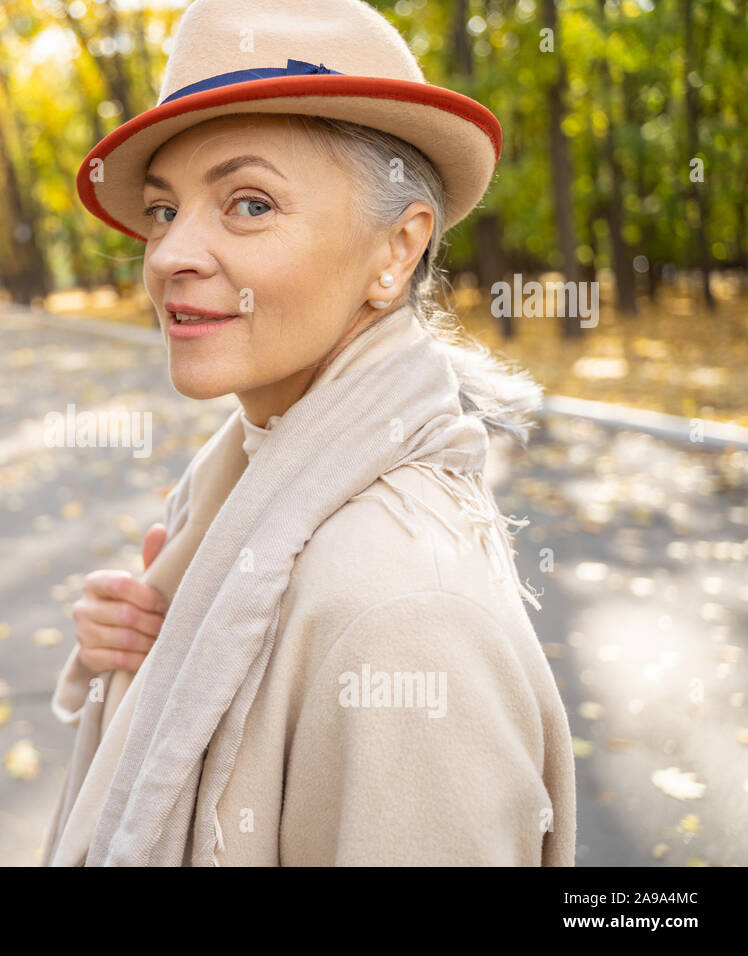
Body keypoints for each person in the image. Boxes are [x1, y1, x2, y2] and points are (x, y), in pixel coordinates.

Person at [42, 0, 576, 866]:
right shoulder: (245, 498)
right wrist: (154, 647)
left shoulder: (403, 620)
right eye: (164, 210)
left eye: (248, 204)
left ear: (395, 251)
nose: (172, 252)